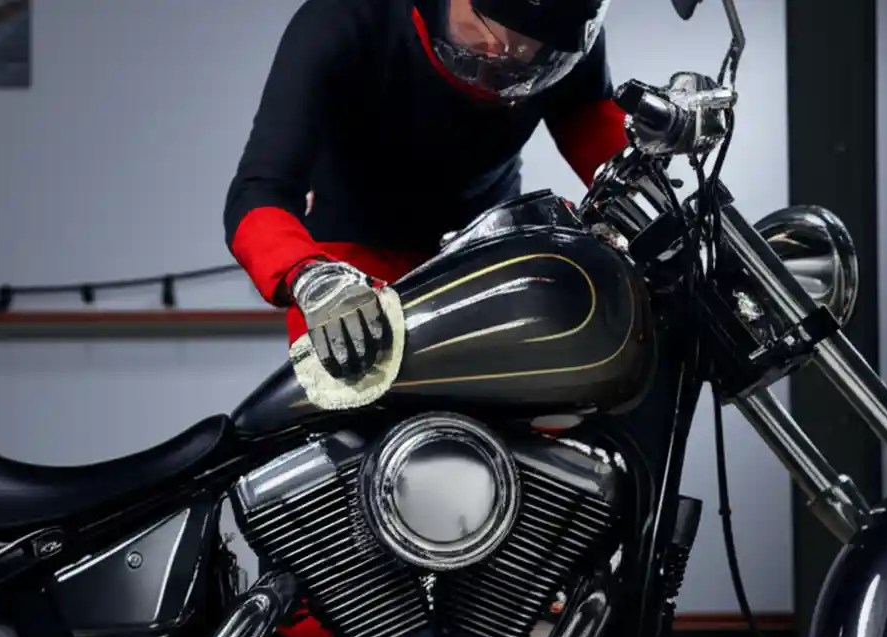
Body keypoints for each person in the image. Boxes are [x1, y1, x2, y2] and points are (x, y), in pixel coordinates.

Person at [224, 0, 631, 380]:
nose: (501, 53)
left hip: (489, 263)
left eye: (530, 47)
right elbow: (261, 189)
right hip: (350, 272)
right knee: (357, 431)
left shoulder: (567, 29)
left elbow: (593, 126)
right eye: (485, 26)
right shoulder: (342, 18)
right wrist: (310, 276)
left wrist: (652, 217)